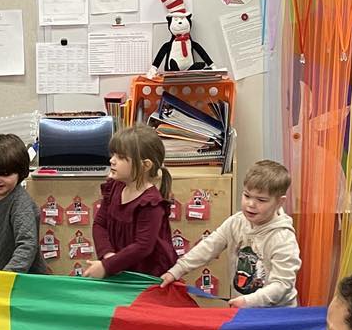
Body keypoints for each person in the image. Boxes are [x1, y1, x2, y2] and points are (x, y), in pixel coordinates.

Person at [160, 159, 301, 307]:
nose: (251, 204)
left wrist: (248, 301)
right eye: (247, 196)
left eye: (261, 200)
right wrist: (176, 271)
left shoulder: (283, 239)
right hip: (245, 308)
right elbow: (208, 247)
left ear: (279, 202)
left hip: (277, 314)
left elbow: (282, 285)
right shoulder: (236, 222)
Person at [84, 126, 177, 279]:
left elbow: (143, 247)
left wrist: (108, 266)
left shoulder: (150, 203)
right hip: (120, 270)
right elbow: (100, 224)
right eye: (113, 154)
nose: (111, 160)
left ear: (145, 165)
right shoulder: (114, 187)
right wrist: (108, 256)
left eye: (120, 157)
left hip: (146, 278)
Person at [0, 133, 46, 273]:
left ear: (20, 173)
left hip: (28, 279)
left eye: (5, 174)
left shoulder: (20, 204)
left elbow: (27, 245)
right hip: (6, 276)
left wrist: (6, 275)